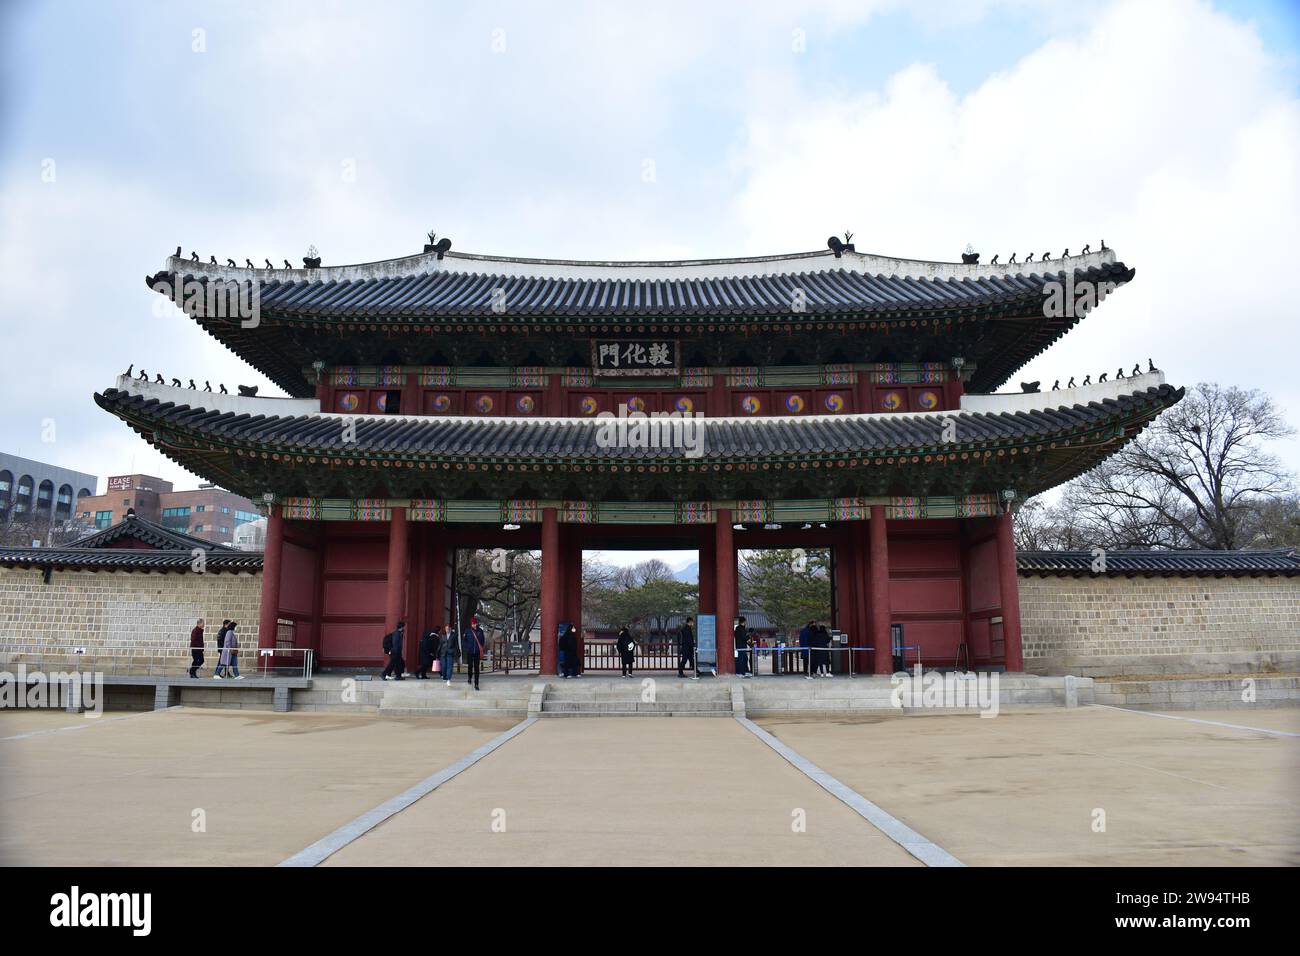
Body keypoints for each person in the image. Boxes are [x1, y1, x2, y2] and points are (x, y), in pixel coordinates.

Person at [462, 616, 485, 690]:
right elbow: (464, 640)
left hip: (477, 652)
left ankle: (476, 684)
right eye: (472, 624)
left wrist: (480, 647)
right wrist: (467, 647)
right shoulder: (467, 631)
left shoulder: (480, 631)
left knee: (476, 668)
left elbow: (482, 641)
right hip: (470, 651)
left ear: (476, 623)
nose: (473, 625)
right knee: (470, 666)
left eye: (474, 623)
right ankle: (469, 677)